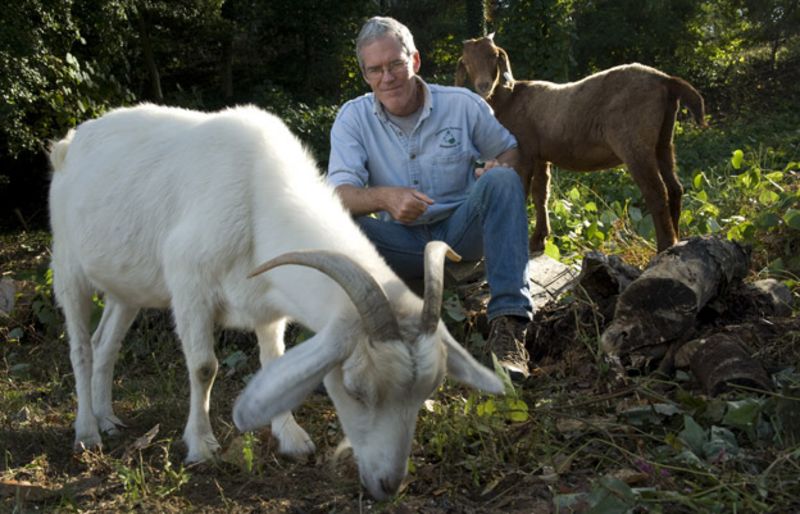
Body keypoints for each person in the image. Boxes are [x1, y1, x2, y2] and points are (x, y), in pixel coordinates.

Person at [327, 16, 533, 379]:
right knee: (332, 224)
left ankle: (509, 331)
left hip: (461, 236)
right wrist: (385, 198)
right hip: (400, 245)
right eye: (375, 70)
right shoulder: (352, 119)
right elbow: (338, 195)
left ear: (415, 61)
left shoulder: (463, 105)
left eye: (395, 64)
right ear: (365, 76)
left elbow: (511, 152)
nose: (387, 78)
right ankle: (343, 347)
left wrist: (496, 166)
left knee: (502, 181)